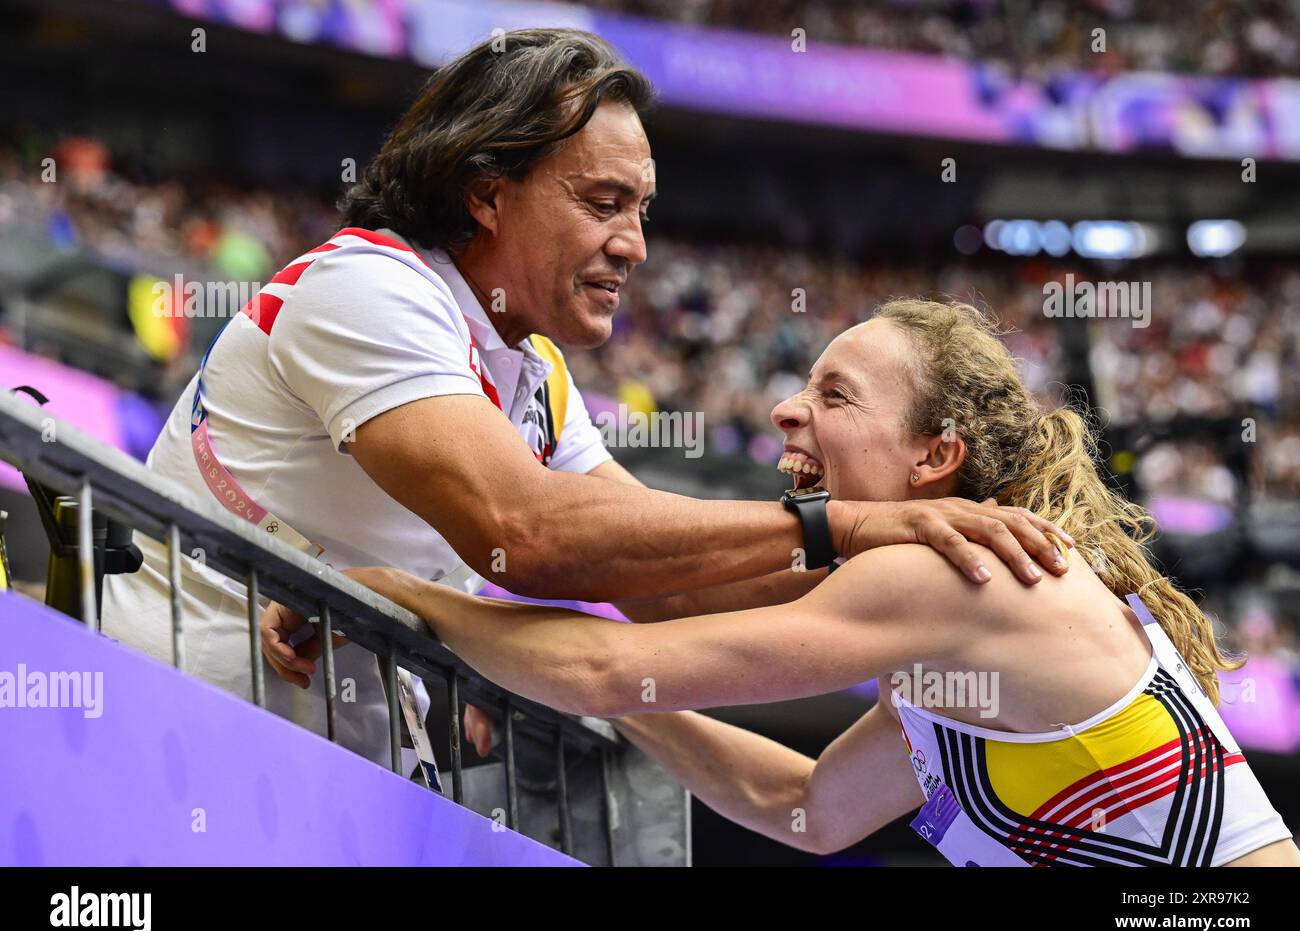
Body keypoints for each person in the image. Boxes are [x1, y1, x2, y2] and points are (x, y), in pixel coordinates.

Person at [100, 29, 1070, 766]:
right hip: (168, 726)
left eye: (641, 211)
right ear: (486, 191)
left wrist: (932, 538)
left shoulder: (536, 375)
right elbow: (522, 535)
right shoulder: (366, 287)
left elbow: (669, 582)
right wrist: (844, 525)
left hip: (310, 758)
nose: (635, 246)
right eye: (603, 203)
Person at [265, 299, 1299, 866]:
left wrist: (392, 587)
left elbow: (599, 664)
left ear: (933, 456)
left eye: (833, 394)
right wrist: (613, 692)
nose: (785, 413)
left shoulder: (957, 578)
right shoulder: (944, 657)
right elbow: (800, 803)